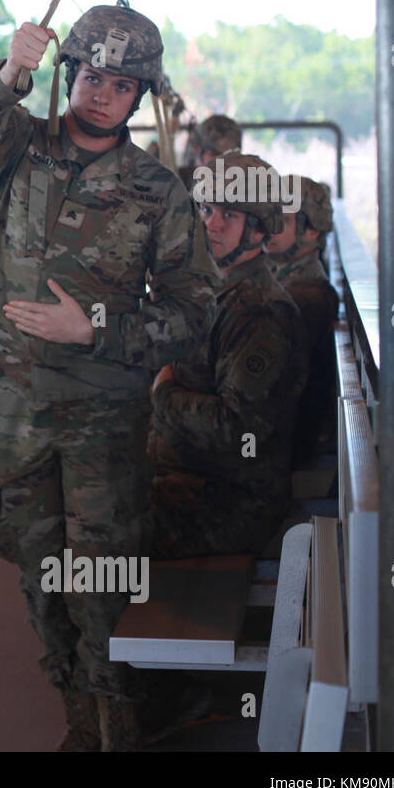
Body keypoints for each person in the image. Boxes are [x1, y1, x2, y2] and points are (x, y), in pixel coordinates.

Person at [0, 6, 219, 750]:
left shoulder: (157, 190)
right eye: (92, 76)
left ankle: (114, 714)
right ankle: (71, 699)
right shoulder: (17, 149)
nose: (103, 94)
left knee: (102, 574)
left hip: (104, 413)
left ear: (139, 97)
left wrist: (99, 329)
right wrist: (9, 72)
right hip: (15, 403)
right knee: (32, 558)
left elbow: (197, 312)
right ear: (72, 75)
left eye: (121, 85)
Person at [149, 153, 307, 559]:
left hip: (230, 503)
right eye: (206, 208)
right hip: (190, 473)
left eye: (230, 215)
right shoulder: (212, 290)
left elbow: (239, 430)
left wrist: (164, 396)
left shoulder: (259, 312)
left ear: (258, 231)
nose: (211, 223)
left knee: (96, 518)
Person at [263, 176, 339, 466]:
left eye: (281, 218)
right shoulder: (284, 280)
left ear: (311, 231)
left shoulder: (308, 297)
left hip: (279, 450)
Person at [177, 114, 242, 191]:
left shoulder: (243, 190)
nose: (225, 164)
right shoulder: (176, 186)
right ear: (197, 150)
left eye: (232, 156)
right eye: (217, 155)